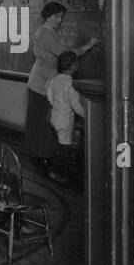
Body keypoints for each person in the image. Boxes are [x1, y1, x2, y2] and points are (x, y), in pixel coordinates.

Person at [24, 1, 96, 170]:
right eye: (57, 17)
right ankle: (40, 158)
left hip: (44, 83)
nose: (59, 20)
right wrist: (87, 46)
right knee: (41, 123)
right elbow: (65, 54)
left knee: (42, 123)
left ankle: (40, 157)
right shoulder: (45, 33)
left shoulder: (48, 32)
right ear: (49, 16)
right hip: (41, 84)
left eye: (61, 17)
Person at [46, 51, 86, 183]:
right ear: (74, 66)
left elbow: (50, 96)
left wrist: (58, 106)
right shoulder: (70, 83)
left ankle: (53, 169)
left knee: (56, 146)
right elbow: (75, 105)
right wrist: (87, 115)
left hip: (54, 117)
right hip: (64, 121)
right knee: (64, 149)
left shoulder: (54, 79)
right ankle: (56, 173)